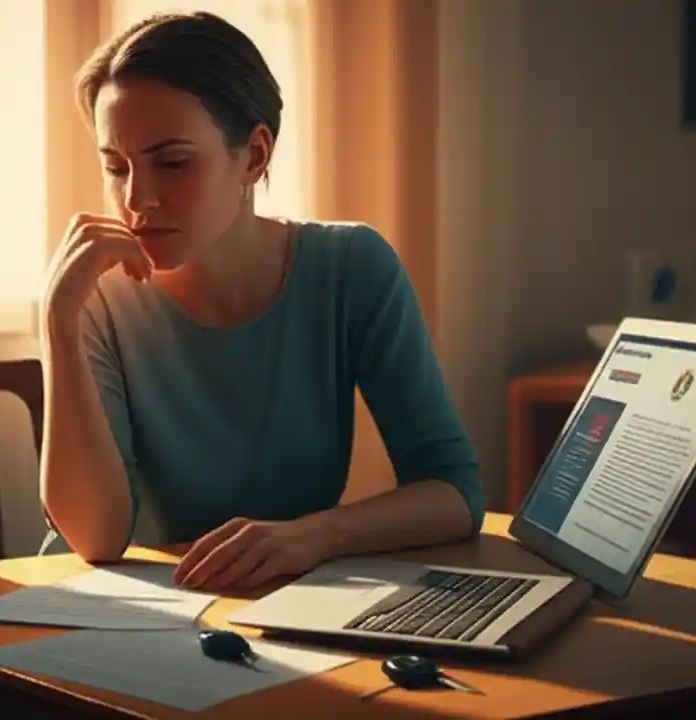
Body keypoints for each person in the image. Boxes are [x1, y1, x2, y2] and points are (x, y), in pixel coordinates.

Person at [38, 11, 482, 593]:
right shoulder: (97, 296)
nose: (136, 199)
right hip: (126, 612)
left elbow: (453, 491)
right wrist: (56, 320)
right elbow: (96, 540)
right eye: (115, 167)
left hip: (275, 607)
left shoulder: (350, 266)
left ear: (253, 155)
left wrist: (314, 535)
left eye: (171, 162)